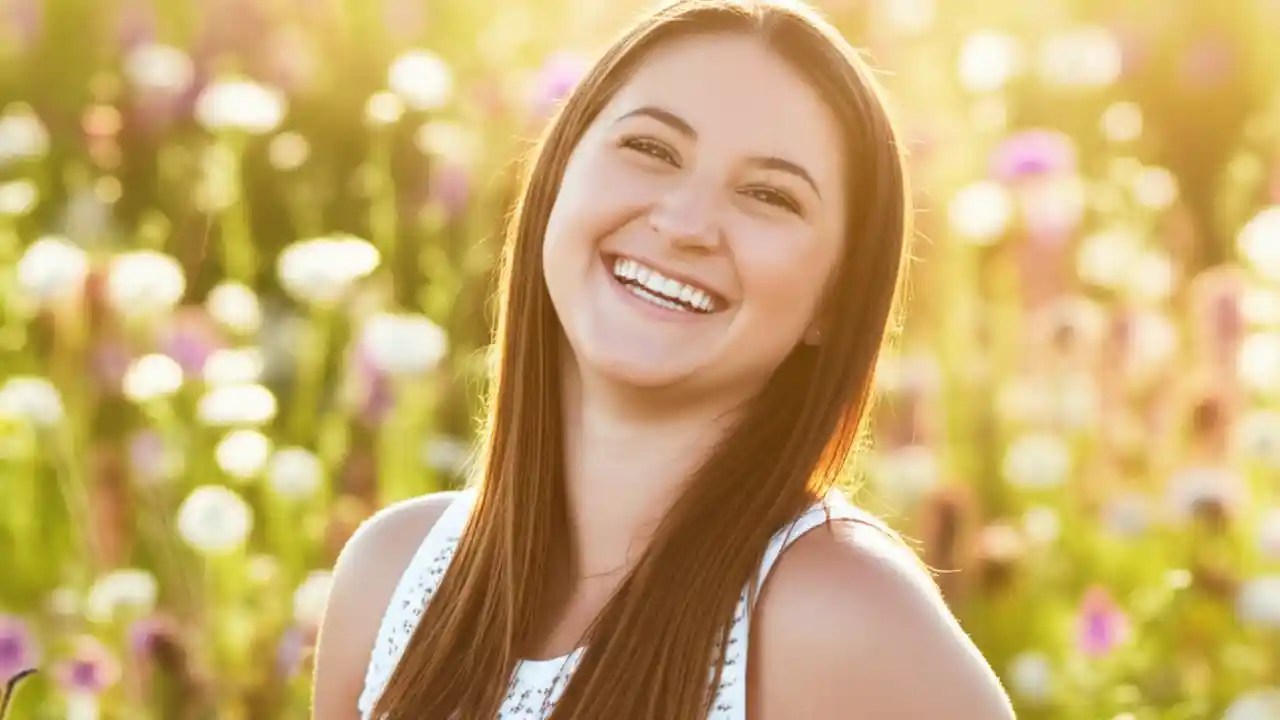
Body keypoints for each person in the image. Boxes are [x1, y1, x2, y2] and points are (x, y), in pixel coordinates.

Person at [313, 0, 1016, 717]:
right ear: (557, 177)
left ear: (835, 299)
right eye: (651, 149)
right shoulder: (390, 578)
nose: (684, 224)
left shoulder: (843, 622)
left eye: (768, 194)